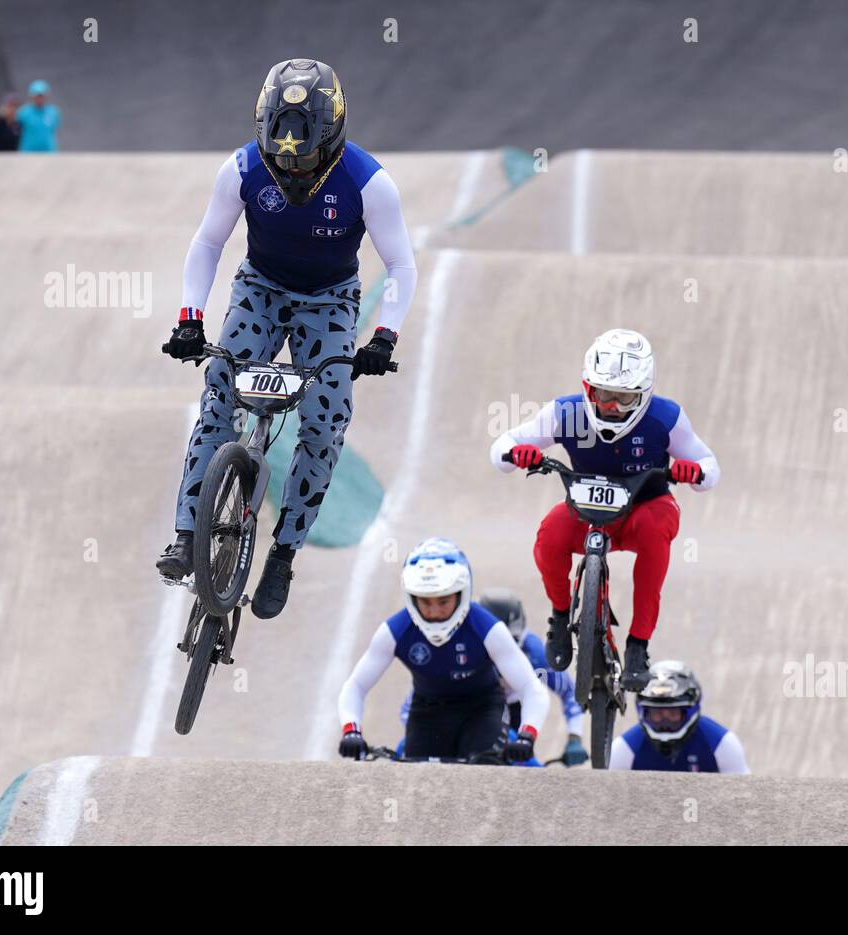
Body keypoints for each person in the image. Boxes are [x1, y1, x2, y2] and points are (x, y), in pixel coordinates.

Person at [157, 59, 416, 619]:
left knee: (325, 425)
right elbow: (206, 244)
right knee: (218, 398)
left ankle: (283, 554)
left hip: (330, 302)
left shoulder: (369, 182)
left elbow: (401, 265)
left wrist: (383, 338)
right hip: (260, 289)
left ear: (333, 135)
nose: (292, 168)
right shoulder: (241, 170)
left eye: (305, 158)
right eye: (281, 158)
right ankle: (185, 534)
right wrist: (189, 318)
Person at [490, 329, 719, 690]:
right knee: (550, 534)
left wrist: (694, 472)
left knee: (656, 531)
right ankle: (561, 615)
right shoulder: (565, 412)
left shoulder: (665, 418)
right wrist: (519, 453)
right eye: (603, 394)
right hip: (585, 511)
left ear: (644, 396)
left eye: (624, 398)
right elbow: (502, 447)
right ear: (587, 386)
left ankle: (638, 645)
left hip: (645, 508)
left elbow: (709, 466)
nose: (611, 406)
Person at [337, 539, 549, 762]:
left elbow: (530, 687)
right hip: (427, 714)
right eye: (425, 602)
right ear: (411, 598)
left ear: (461, 594)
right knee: (417, 783)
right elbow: (356, 685)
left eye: (443, 601)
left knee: (484, 773)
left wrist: (527, 735)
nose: (434, 611)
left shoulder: (488, 628)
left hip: (482, 711)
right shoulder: (394, 630)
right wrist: (351, 730)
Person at [395, 588, 588, 765]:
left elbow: (569, 692)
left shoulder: (536, 655)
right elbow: (412, 706)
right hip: (468, 710)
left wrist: (574, 737)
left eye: (511, 642)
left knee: (524, 765)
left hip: (511, 712)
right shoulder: (461, 648)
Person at [609, 661, 748, 772]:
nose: (665, 720)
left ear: (690, 711)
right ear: (644, 712)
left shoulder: (723, 744)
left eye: (673, 713)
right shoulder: (623, 750)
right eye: (657, 713)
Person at [15, 80, 61, 152]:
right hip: (28, 150)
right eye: (37, 96)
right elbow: (17, 129)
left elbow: (53, 128)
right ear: (32, 96)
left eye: (41, 95)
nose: (39, 98)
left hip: (48, 150)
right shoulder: (23, 112)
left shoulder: (53, 112)